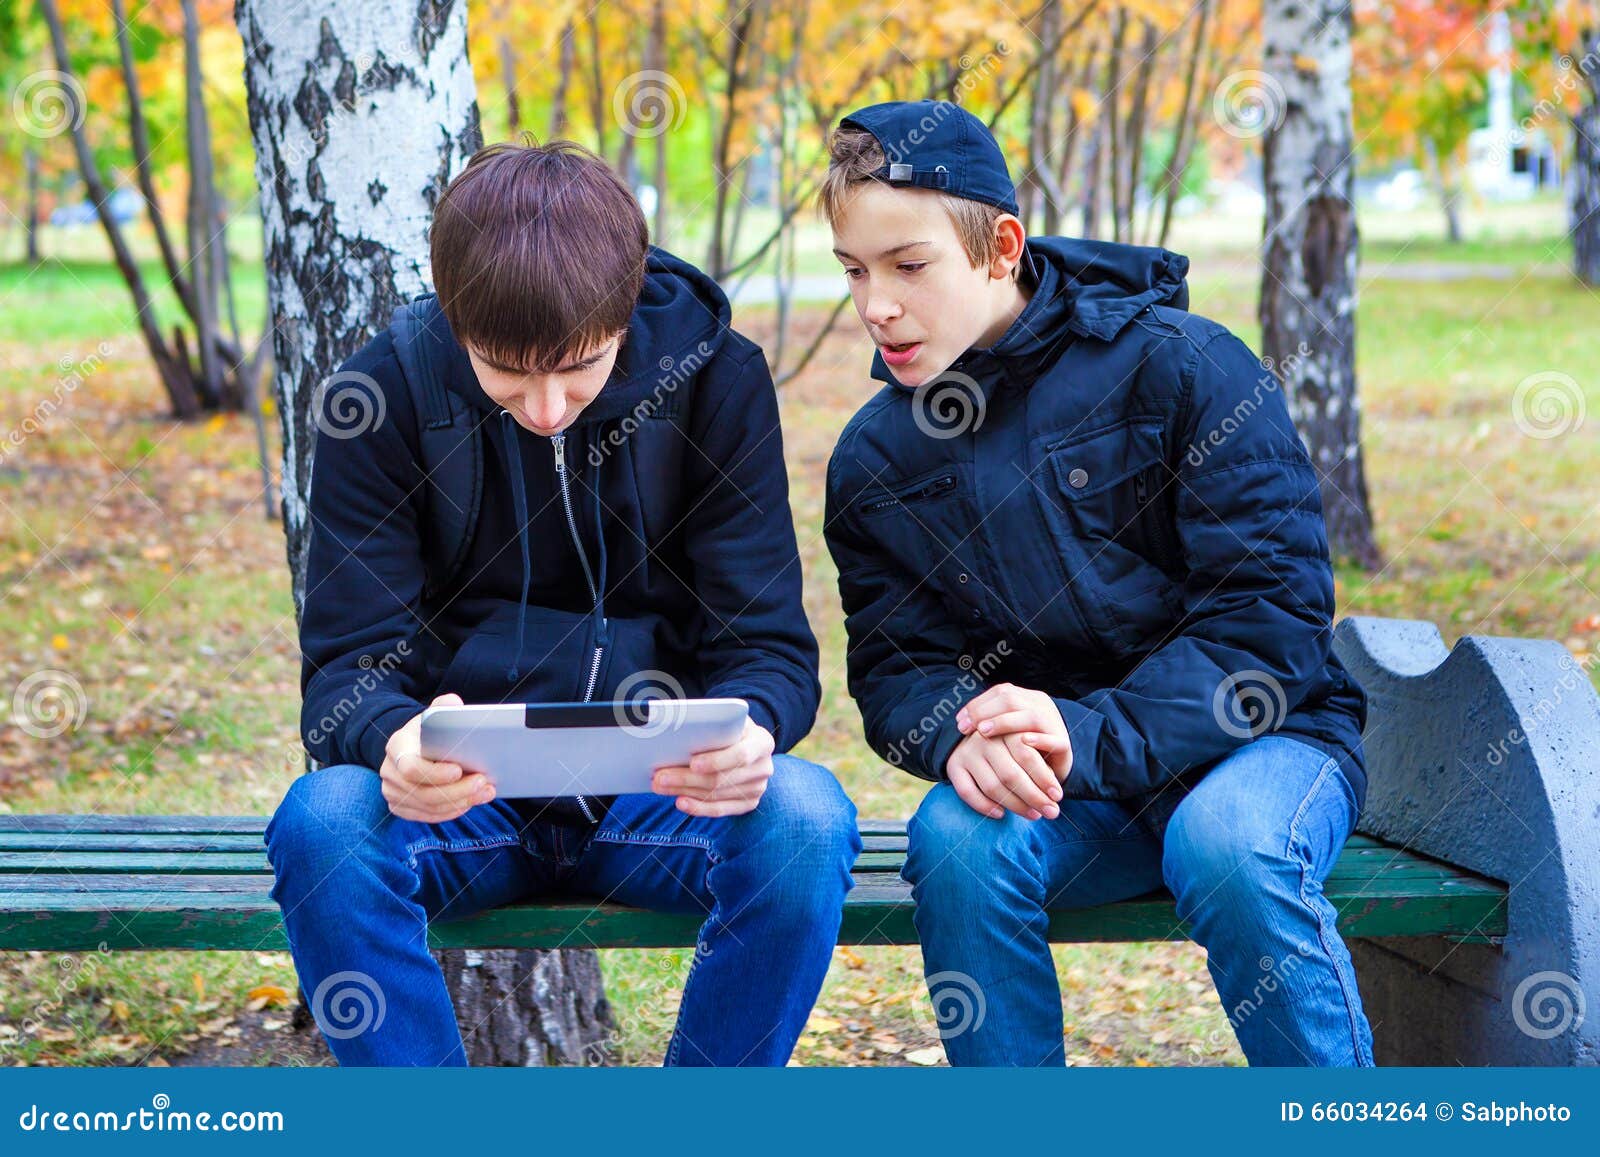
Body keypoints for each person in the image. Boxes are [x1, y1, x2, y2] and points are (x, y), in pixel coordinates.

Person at [265, 138, 859, 1067]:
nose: (546, 406)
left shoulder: (715, 382)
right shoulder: (379, 394)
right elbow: (347, 665)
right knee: (323, 824)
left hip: (660, 803)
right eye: (506, 370)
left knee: (806, 816)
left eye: (580, 365)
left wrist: (756, 735)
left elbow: (771, 649)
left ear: (623, 311)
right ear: (456, 315)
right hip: (467, 809)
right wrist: (389, 735)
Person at [819, 100, 1374, 1066]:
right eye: (855, 271)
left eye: (909, 266)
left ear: (1001, 246)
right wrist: (959, 735)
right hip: (1070, 791)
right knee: (958, 841)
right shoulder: (878, 455)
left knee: (1230, 848)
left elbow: (1271, 627)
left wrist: (1083, 732)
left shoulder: (1184, 370)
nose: (877, 306)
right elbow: (895, 665)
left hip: (1265, 743)